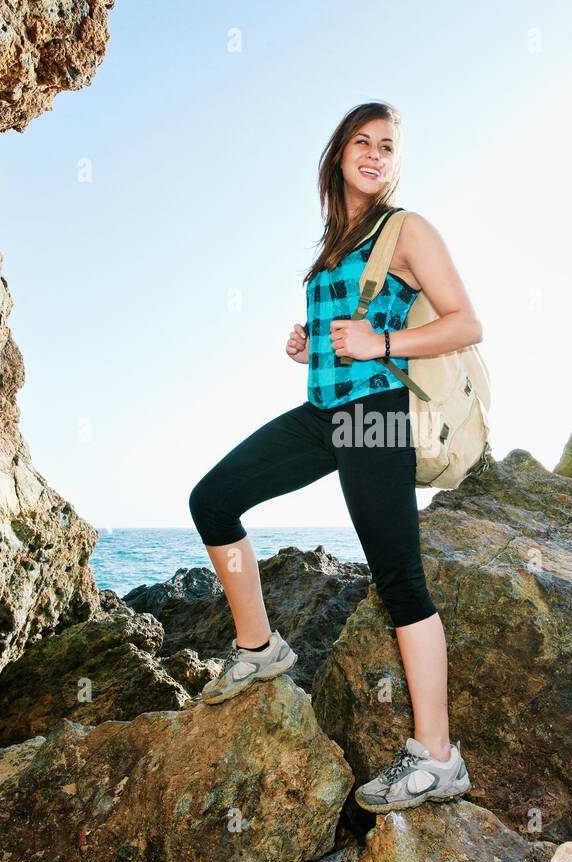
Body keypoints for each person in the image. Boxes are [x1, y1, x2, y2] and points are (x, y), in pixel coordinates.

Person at [188, 102, 484, 813]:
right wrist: (310, 344)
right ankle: (259, 648)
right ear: (339, 153)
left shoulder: (407, 229)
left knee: (398, 578)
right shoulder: (336, 239)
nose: (376, 154)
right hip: (326, 415)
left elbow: (465, 321)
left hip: (376, 415)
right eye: (363, 141)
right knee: (213, 499)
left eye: (388, 146)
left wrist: (378, 344)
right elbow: (348, 330)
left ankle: (438, 758)